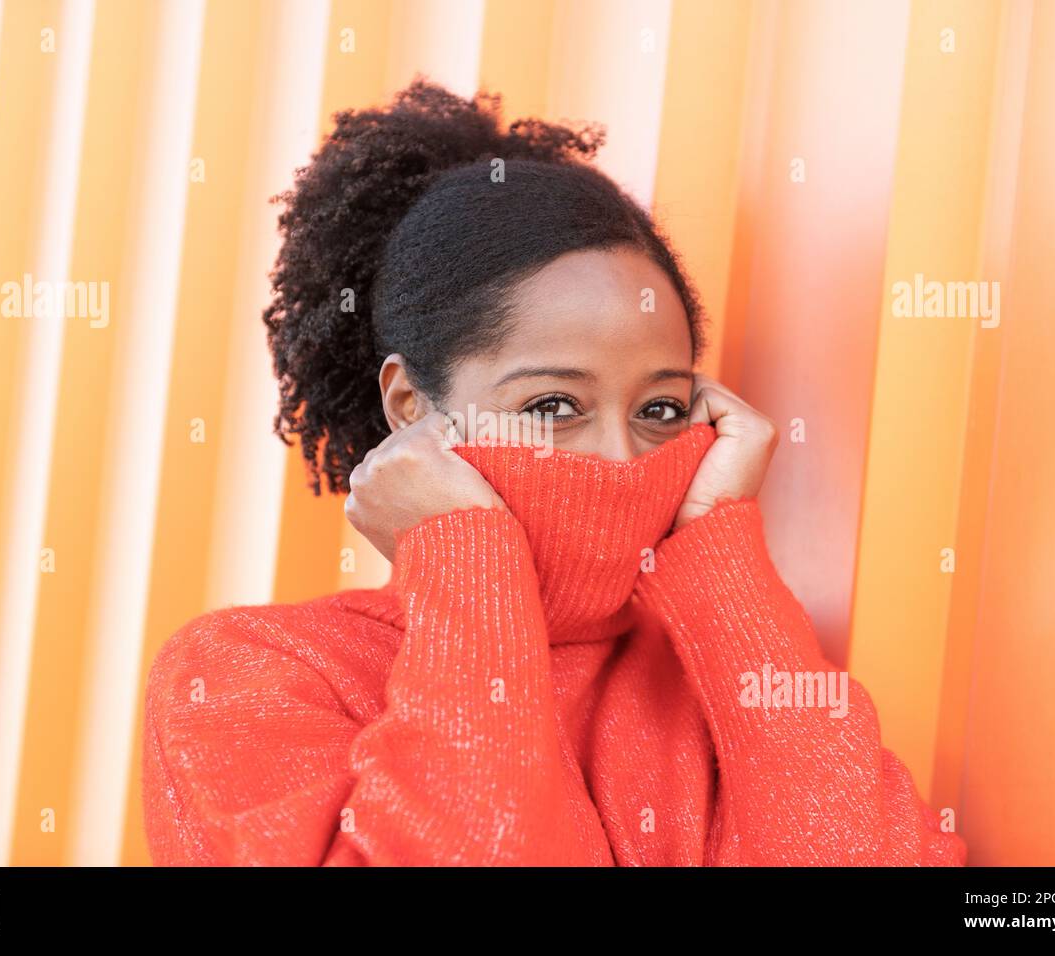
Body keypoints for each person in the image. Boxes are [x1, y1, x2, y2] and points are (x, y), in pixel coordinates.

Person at [141, 77, 968, 867]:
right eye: (551, 407)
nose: (618, 460)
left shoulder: (724, 668)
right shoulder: (253, 673)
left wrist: (721, 562)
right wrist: (463, 560)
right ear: (410, 406)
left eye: (660, 410)